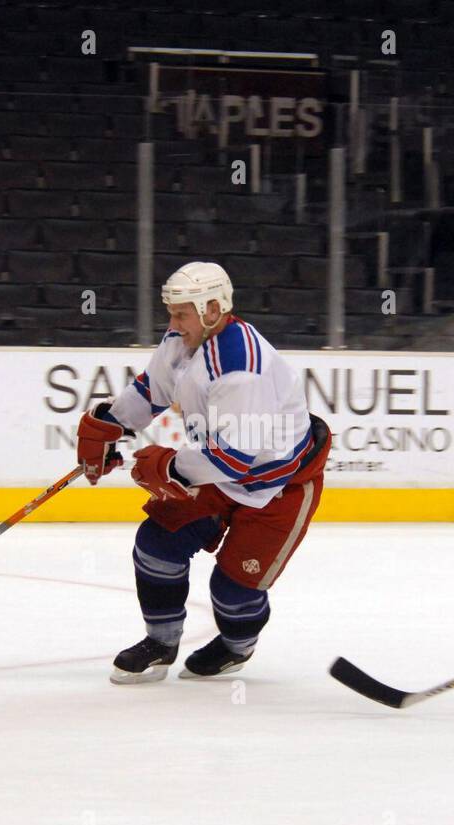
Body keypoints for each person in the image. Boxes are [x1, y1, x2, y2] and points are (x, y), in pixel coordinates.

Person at [75, 262, 331, 683]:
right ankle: (160, 643)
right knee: (157, 545)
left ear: (213, 308)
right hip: (216, 473)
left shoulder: (242, 366)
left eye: (181, 313)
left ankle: (237, 646)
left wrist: (167, 466)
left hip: (277, 486)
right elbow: (150, 390)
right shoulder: (182, 339)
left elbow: (233, 459)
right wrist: (112, 425)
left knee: (232, 594)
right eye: (172, 312)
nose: (172, 323)